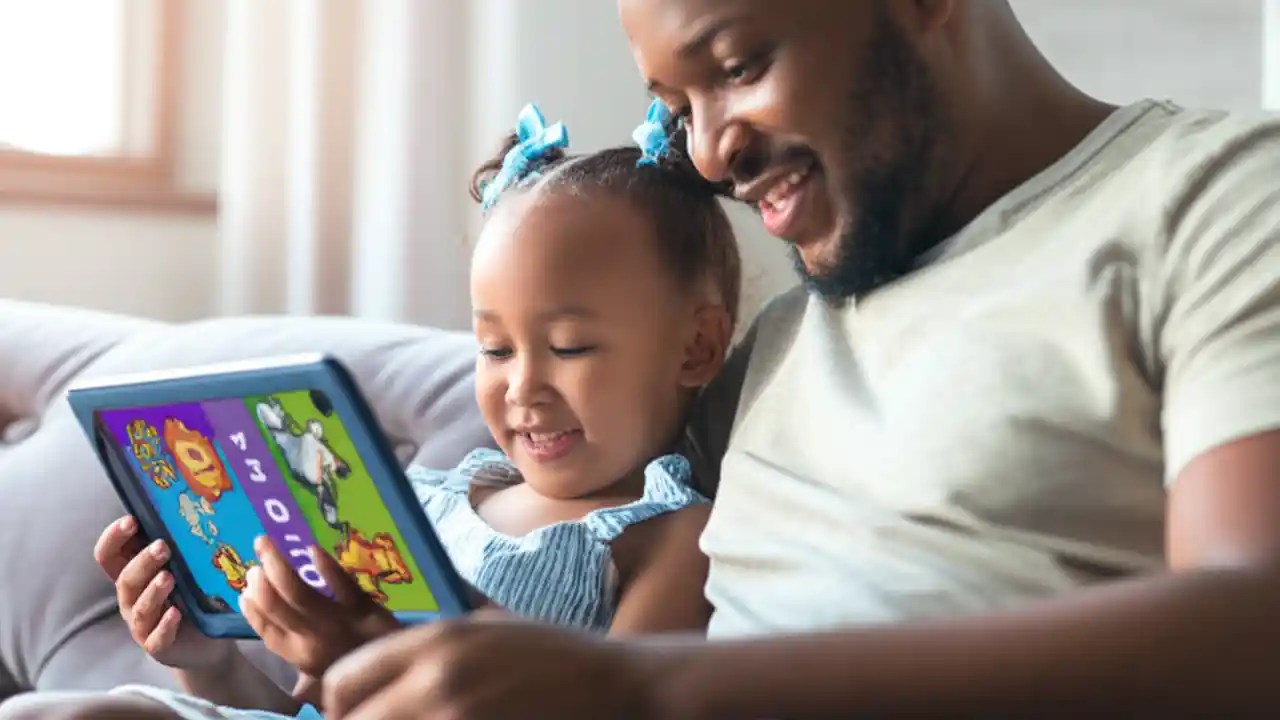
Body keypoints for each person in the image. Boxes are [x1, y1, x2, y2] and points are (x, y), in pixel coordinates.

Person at [314, 1, 1280, 718]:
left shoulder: (1217, 201)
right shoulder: (771, 345)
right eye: (675, 103)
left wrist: (643, 694)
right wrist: (382, 651)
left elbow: (1256, 626)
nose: (703, 155)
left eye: (735, 66)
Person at [0, 102, 741, 720]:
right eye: (494, 349)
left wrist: (419, 632)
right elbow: (313, 705)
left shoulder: (672, 538)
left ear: (696, 348)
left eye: (571, 348)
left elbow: (617, 703)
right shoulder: (440, 494)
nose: (524, 388)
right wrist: (207, 663)